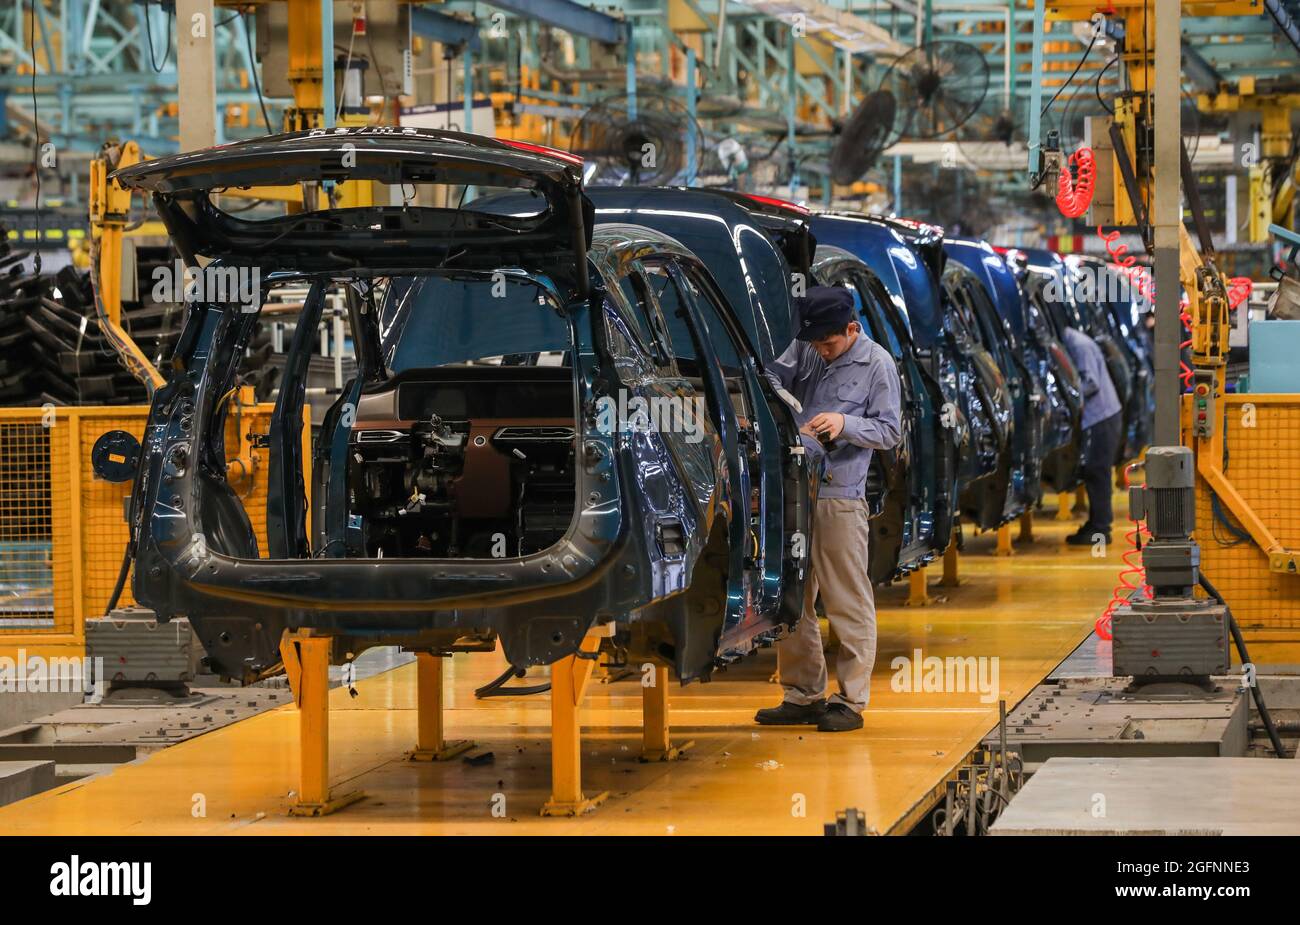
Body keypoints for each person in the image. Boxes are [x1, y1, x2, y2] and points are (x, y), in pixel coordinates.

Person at [755, 287, 902, 732]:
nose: (821, 351)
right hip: (795, 490)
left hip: (839, 493)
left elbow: (890, 431)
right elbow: (768, 376)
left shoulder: (878, 365)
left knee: (846, 598)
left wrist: (844, 424)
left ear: (852, 330)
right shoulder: (807, 346)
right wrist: (788, 409)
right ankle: (803, 694)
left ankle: (852, 700)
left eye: (830, 344)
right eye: (815, 343)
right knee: (793, 596)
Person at [1062, 325, 1123, 545]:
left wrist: (1066, 395)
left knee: (1097, 472)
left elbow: (1091, 383)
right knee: (1093, 472)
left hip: (1102, 416)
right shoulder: (1073, 342)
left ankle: (1101, 529)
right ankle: (1096, 523)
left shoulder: (1079, 345)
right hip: (1101, 416)